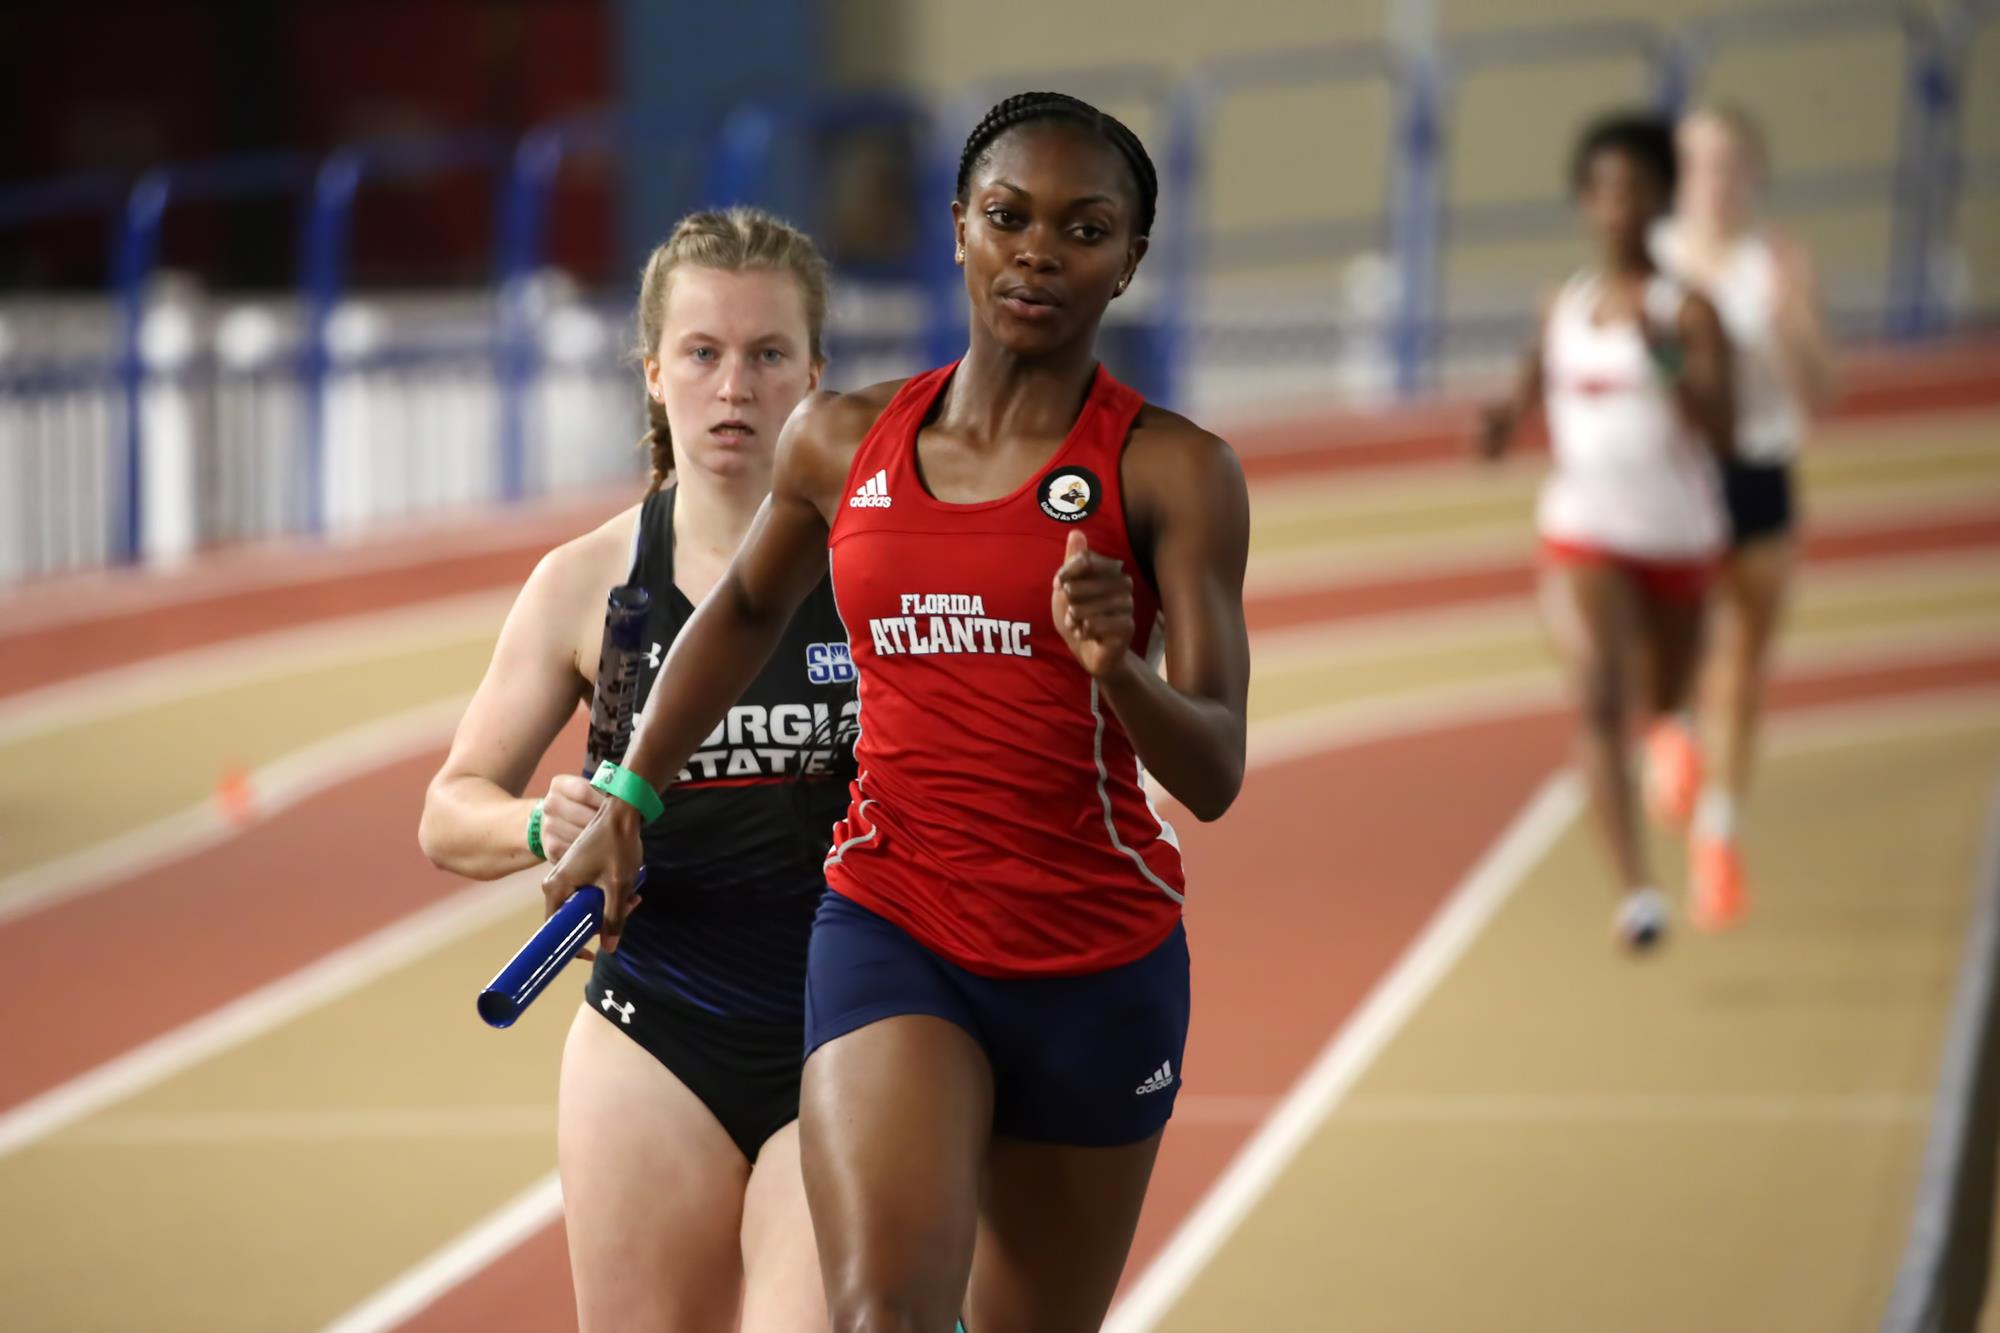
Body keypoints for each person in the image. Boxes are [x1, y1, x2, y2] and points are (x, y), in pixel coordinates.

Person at [545, 91, 1251, 1332]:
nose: (1037, 250)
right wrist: (627, 793)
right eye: (1006, 216)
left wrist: (1117, 668)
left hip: (1092, 956)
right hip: (893, 921)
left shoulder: (1171, 471)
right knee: (878, 1318)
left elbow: (1215, 766)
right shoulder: (842, 440)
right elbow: (744, 614)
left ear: (1129, 259)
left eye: (1082, 229)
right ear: (958, 227)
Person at [418, 207, 851, 1331]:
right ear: (654, 373)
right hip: (653, 1025)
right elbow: (446, 809)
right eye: (703, 354)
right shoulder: (586, 582)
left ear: (815, 372)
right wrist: (540, 828)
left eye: (767, 355)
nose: (734, 388)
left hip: (853, 1024)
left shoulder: (875, 567)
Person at [1479, 112, 1735, 952]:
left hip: (1679, 537)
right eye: (1604, 190)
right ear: (1585, 201)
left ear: (1660, 197)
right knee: (1595, 693)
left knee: (1660, 699)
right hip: (1584, 529)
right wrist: (1499, 426)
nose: (1618, 205)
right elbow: (1527, 389)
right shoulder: (1565, 304)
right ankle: (1637, 893)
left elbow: (1725, 430)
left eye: (1636, 189)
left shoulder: (1687, 310)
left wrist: (1664, 360)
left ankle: (1673, 728)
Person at [1645, 103, 1837, 929]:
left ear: (1749, 178)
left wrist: (1793, 313)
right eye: (1696, 164)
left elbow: (1823, 393)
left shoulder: (1773, 265)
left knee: (1746, 667)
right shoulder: (1650, 261)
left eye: (1728, 165)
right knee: (1673, 641)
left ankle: (1718, 835)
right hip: (1680, 478)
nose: (1712, 182)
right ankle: (1670, 729)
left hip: (1760, 473)